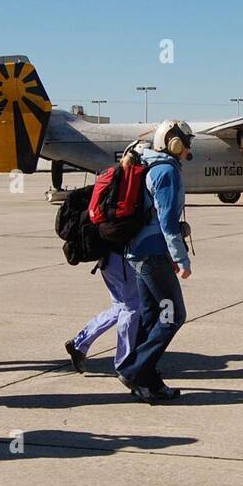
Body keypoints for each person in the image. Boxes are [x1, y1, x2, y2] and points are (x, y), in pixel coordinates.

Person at [116, 121, 194, 403]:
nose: (188, 148)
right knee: (173, 315)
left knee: (152, 317)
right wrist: (181, 258)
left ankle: (147, 379)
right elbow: (167, 221)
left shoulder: (148, 164)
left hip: (137, 251)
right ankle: (134, 370)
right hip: (153, 253)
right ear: (174, 143)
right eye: (186, 142)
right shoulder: (166, 171)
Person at [65, 141, 144, 375]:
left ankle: (80, 343)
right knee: (132, 307)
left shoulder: (110, 178)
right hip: (119, 255)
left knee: (120, 305)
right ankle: (125, 363)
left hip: (105, 254)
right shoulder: (129, 182)